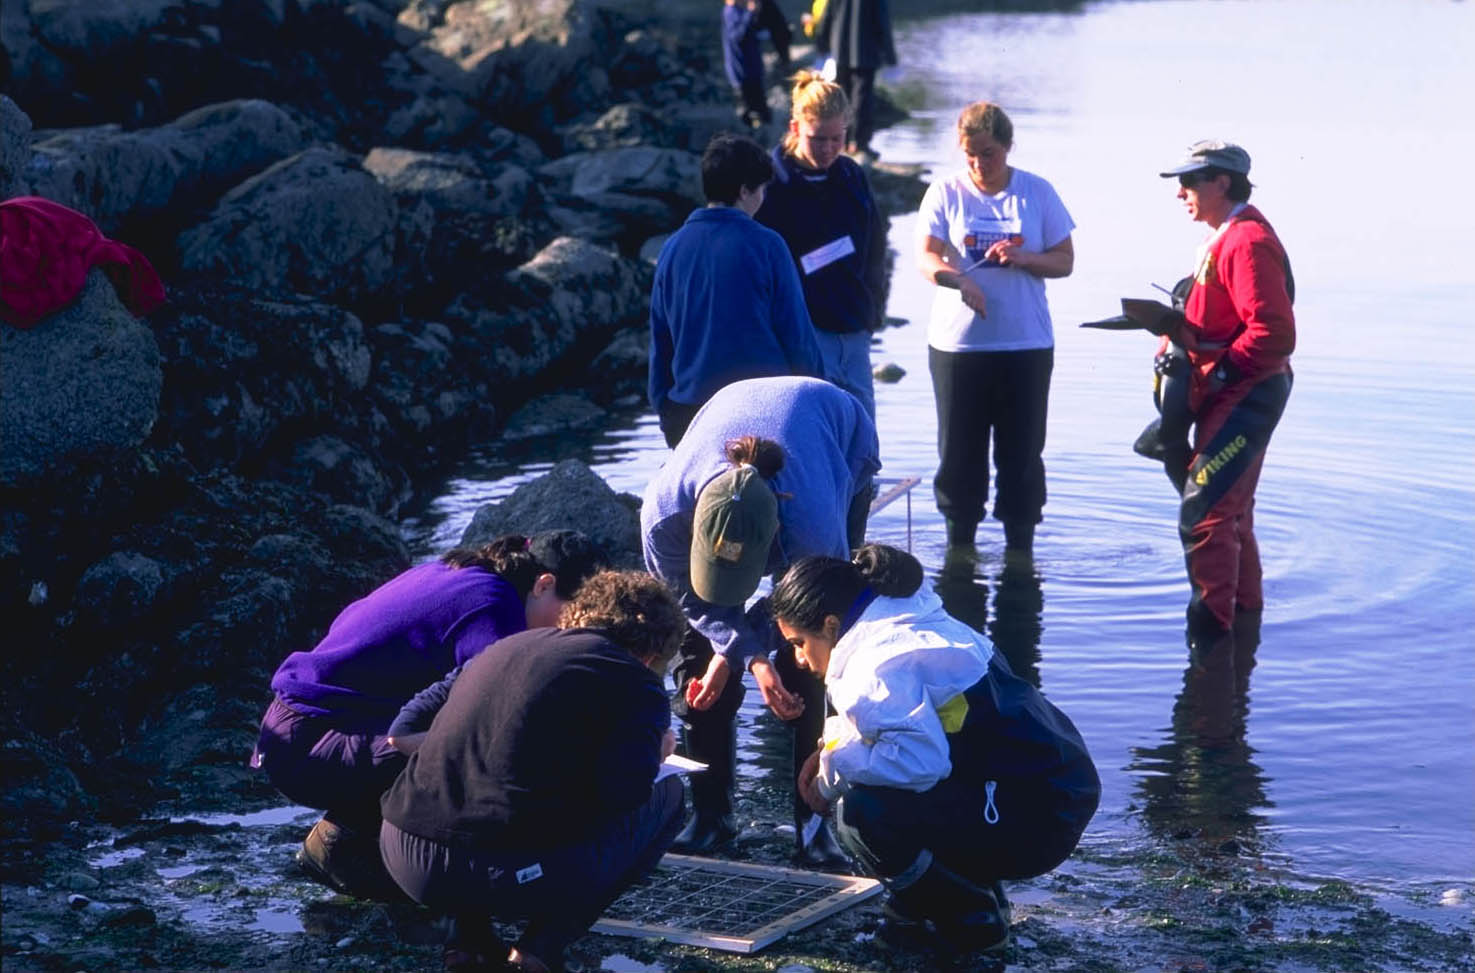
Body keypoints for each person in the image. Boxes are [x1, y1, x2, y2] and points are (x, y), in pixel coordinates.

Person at [770, 544, 1100, 955]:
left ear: (832, 625)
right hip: (1057, 787)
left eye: (799, 642)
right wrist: (834, 751)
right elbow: (909, 734)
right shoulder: (910, 621)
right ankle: (955, 889)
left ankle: (970, 914)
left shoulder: (874, 666)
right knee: (882, 787)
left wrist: (835, 767)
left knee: (859, 813)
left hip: (1040, 820)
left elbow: (921, 765)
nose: (799, 659)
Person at [252, 531, 609, 898]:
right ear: (544, 584)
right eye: (573, 616)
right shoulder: (494, 609)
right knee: (483, 752)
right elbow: (505, 718)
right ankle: (344, 850)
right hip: (308, 746)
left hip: (300, 726)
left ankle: (347, 834)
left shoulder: (465, 572)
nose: (571, 630)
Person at [379, 571, 687, 973]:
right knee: (671, 797)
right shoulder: (638, 683)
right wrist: (655, 756)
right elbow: (624, 794)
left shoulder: (502, 646)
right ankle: (540, 950)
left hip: (406, 855)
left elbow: (401, 731)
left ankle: (467, 941)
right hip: (513, 875)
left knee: (478, 801)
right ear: (653, 654)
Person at [640, 375, 879, 864]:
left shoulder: (810, 525)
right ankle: (711, 816)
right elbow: (690, 600)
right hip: (733, 408)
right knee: (697, 662)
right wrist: (743, 657)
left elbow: (807, 605)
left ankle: (813, 825)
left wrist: (757, 658)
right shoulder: (663, 515)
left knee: (813, 658)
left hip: (836, 429)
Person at [915, 101, 1075, 555]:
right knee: (959, 457)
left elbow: (1065, 261)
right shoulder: (945, 192)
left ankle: (1019, 553)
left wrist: (1026, 258)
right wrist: (958, 279)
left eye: (988, 153)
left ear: (1007, 147)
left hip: (1025, 345)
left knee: (1021, 456)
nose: (978, 164)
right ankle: (959, 552)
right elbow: (926, 258)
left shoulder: (1036, 192)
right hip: (958, 348)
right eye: (969, 154)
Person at [1155, 139, 1295, 642]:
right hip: (1239, 391)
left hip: (1248, 394)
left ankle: (1210, 646)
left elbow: (1274, 334)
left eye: (1189, 182)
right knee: (1230, 513)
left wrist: (1217, 376)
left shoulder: (1246, 241)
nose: (1181, 193)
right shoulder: (1227, 235)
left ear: (1222, 182)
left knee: (1205, 514)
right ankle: (1242, 638)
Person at [648, 133, 829, 447]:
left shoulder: (672, 248)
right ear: (745, 191)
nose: (763, 197)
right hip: (764, 410)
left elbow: (660, 339)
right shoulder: (767, 245)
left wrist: (664, 407)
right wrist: (819, 395)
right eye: (761, 188)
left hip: (691, 411)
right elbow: (796, 335)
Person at [755, 70, 888, 418]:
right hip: (802, 333)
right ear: (796, 128)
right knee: (814, 431)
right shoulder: (768, 184)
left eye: (836, 138)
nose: (829, 149)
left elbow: (875, 246)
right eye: (818, 139)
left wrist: (874, 307)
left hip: (854, 326)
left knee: (862, 433)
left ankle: (860, 477)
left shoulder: (851, 175)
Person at [811, 0, 895, 162]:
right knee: (863, 98)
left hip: (839, 50)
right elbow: (882, 21)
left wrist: (822, 43)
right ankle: (859, 143)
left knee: (842, 97)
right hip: (866, 51)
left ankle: (842, 141)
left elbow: (827, 15)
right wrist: (890, 56)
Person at [721, 0, 772, 128]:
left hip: (752, 70)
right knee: (747, 111)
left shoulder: (741, 11)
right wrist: (750, 13)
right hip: (741, 71)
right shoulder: (730, 12)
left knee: (762, 111)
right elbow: (738, 36)